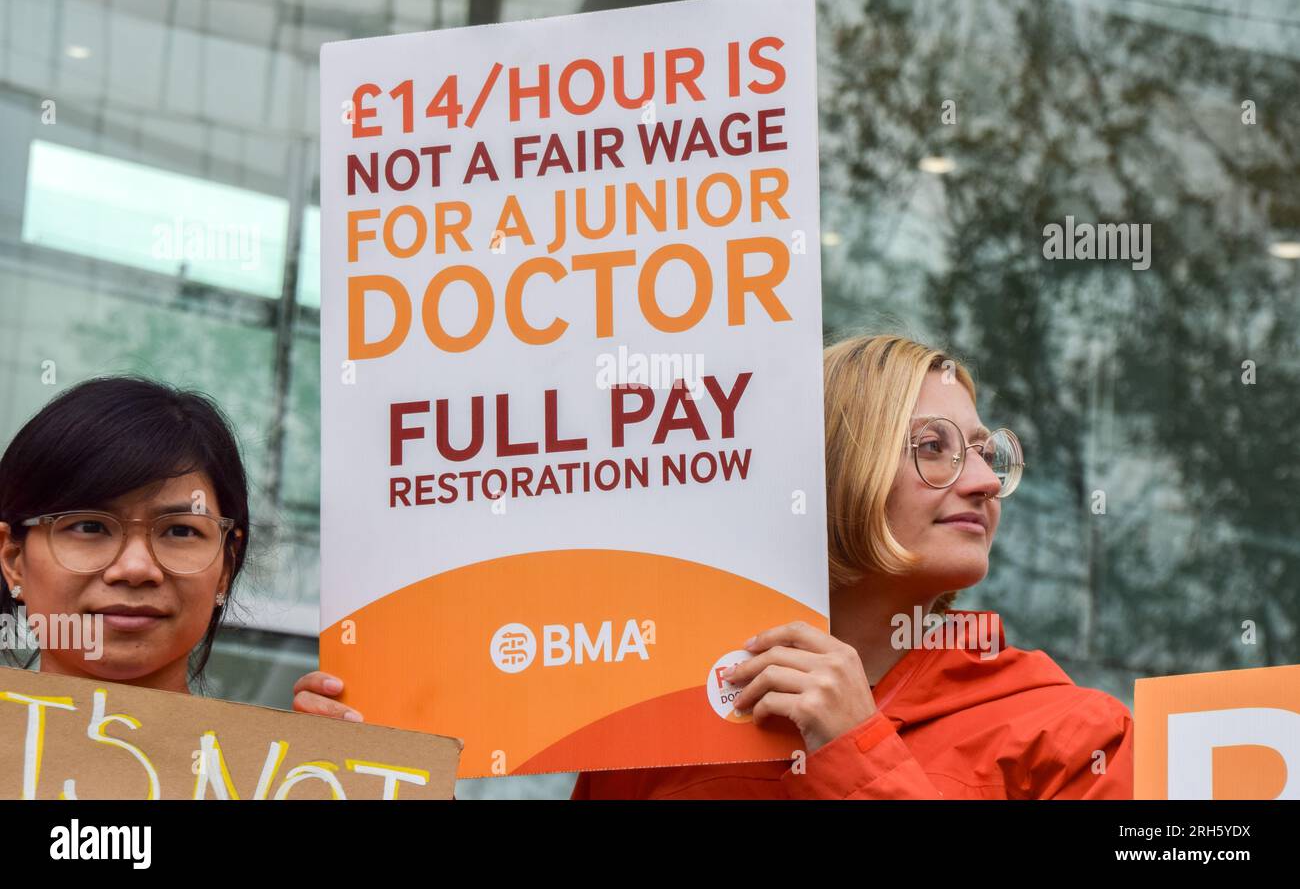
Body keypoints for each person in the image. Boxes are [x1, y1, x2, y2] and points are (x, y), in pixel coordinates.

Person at [301, 333, 1134, 799]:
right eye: (935, 449)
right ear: (834, 471)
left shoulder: (1071, 732)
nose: (987, 481)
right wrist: (387, 784)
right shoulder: (667, 715)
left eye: (990, 455)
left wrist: (858, 750)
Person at [0, 375, 356, 720]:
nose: (136, 568)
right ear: (13, 559)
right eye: (89, 527)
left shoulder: (293, 773)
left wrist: (340, 761)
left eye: (180, 531)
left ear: (226, 567)